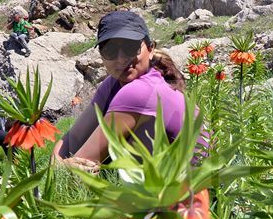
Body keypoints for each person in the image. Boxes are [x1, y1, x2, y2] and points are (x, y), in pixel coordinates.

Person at [53, 11, 190, 170]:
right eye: (110, 51)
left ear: (151, 49)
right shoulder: (113, 83)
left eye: (130, 47)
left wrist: (59, 167)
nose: (121, 58)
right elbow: (72, 140)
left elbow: (83, 165)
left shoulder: (139, 91)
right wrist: (59, 163)